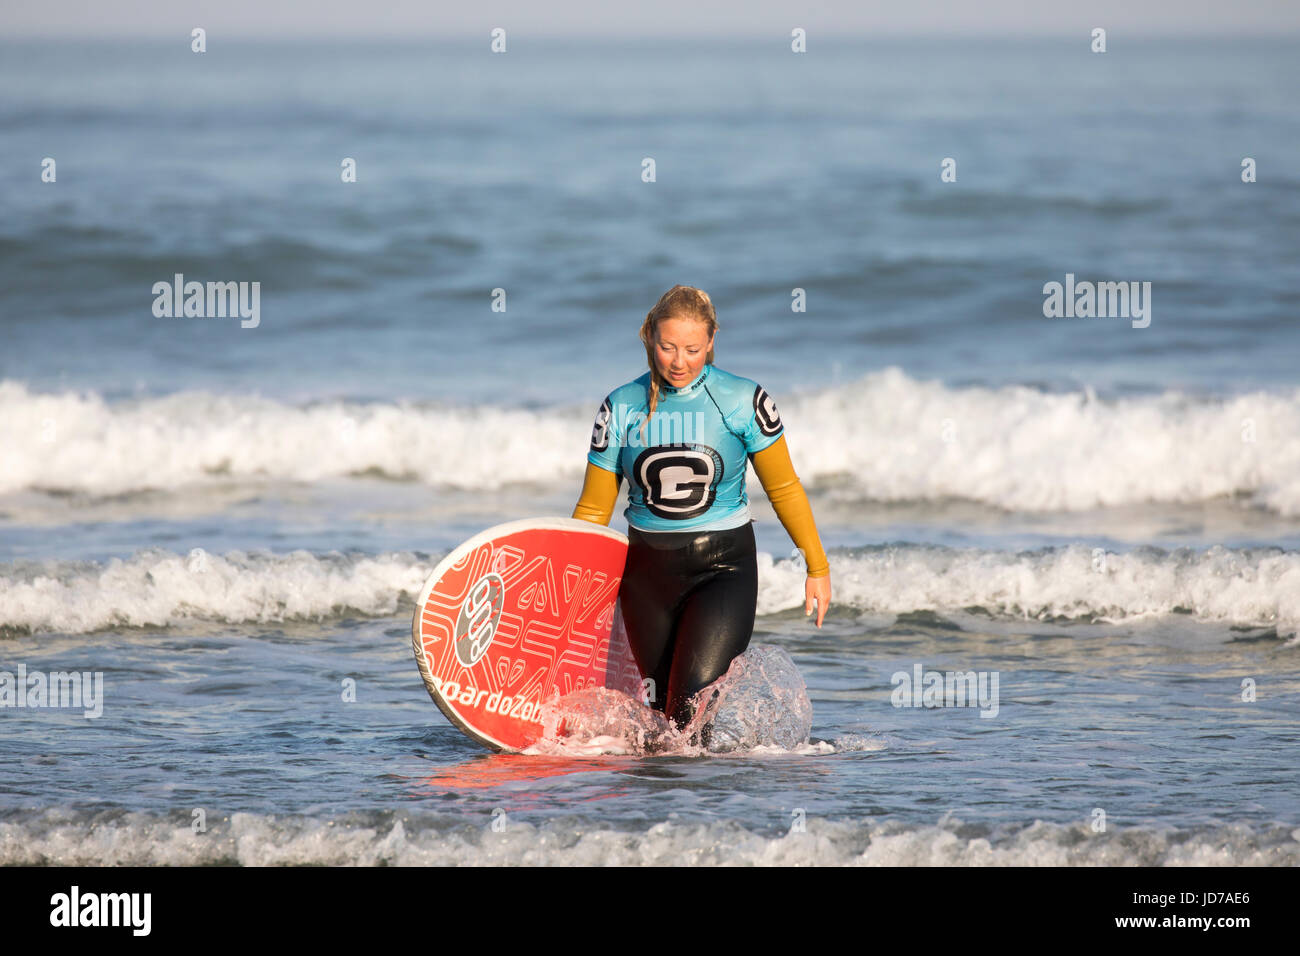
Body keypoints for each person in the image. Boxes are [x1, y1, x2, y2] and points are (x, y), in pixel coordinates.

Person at [571, 285, 831, 737]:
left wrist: (817, 564)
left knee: (688, 710)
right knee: (660, 722)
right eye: (668, 346)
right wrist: (566, 582)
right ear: (649, 337)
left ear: (710, 342)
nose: (679, 361)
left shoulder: (743, 400)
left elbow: (784, 487)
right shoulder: (619, 407)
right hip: (644, 577)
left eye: (692, 349)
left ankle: (716, 802)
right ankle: (672, 804)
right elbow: (594, 508)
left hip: (721, 570)